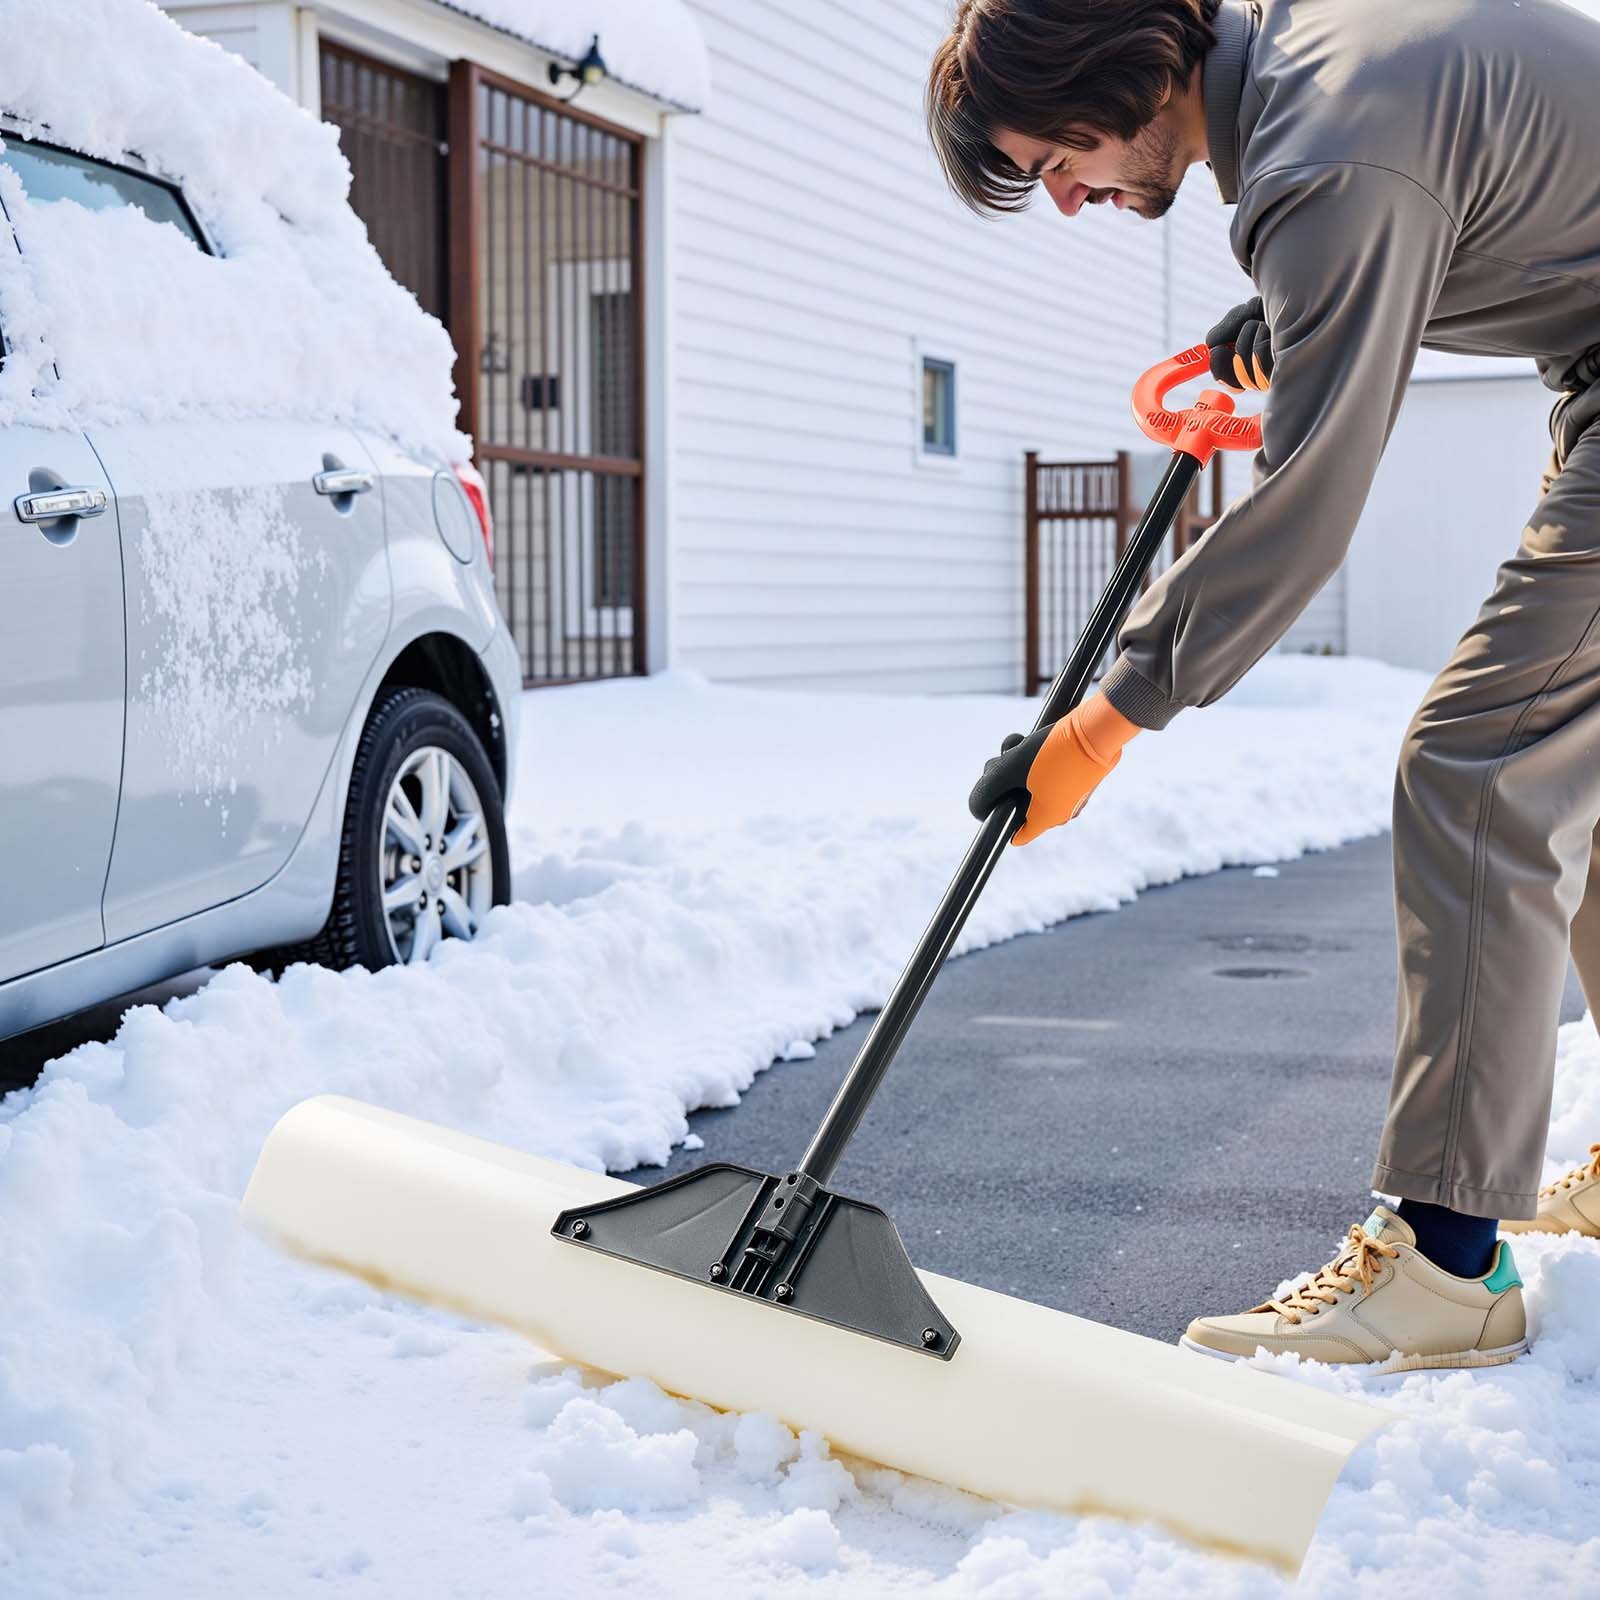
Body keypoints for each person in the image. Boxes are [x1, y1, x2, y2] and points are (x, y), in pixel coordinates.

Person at [932, 0, 1600, 1371]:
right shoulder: (1312, 65)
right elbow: (1432, 196)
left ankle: (1444, 1264)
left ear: (1120, 73)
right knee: (1569, 759)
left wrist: (1106, 720)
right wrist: (1292, 312)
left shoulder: (1327, 157)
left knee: (1478, 763)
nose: (1067, 200)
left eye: (1057, 160)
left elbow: (1307, 502)